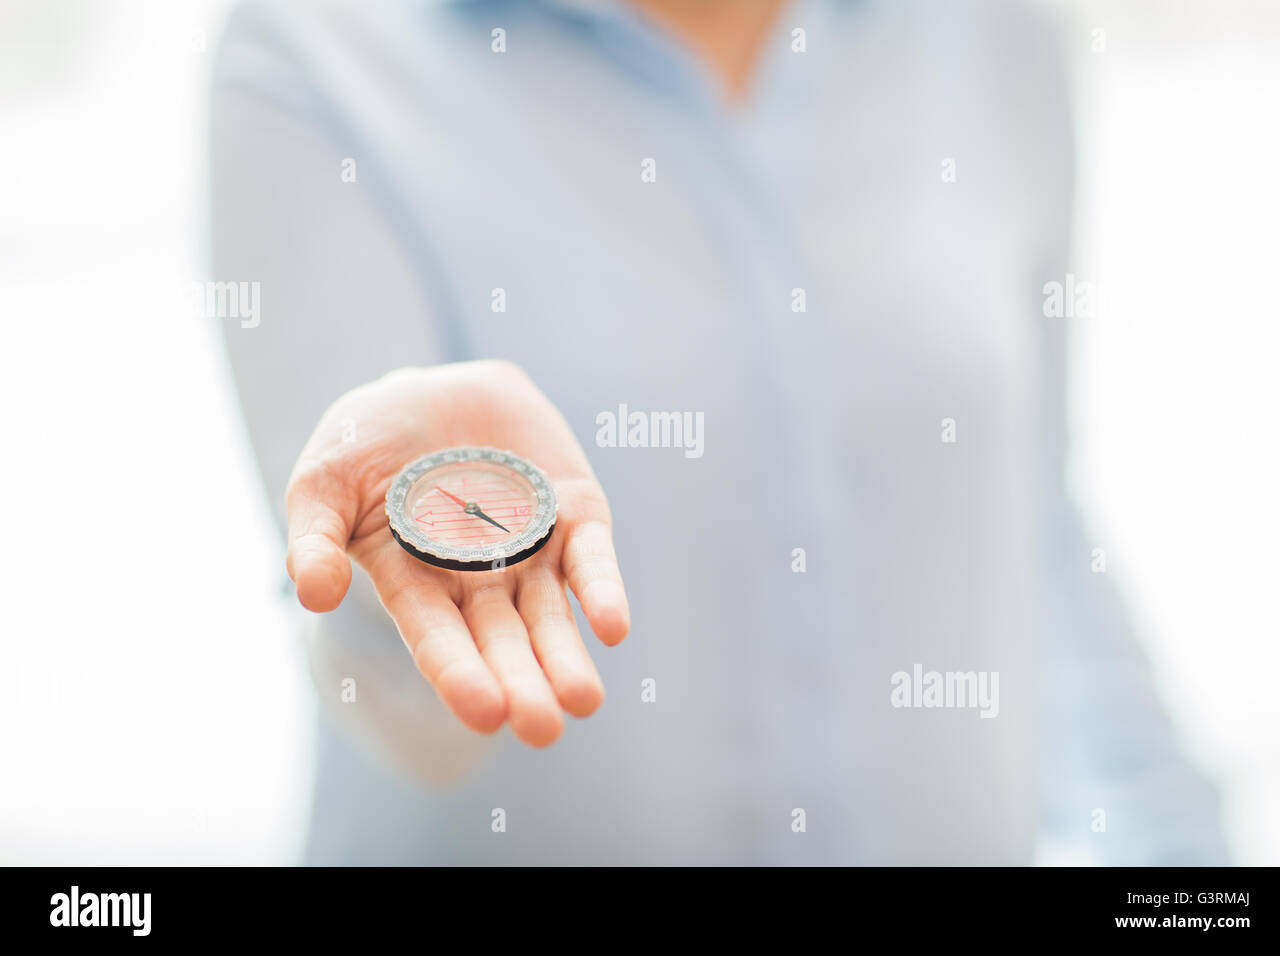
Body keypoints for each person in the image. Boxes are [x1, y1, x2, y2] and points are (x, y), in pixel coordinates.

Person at [210, 0, 1227, 864]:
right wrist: (390, 587)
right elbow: (382, 670)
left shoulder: (989, 30)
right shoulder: (314, 50)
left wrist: (1185, 869)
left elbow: (1029, 534)